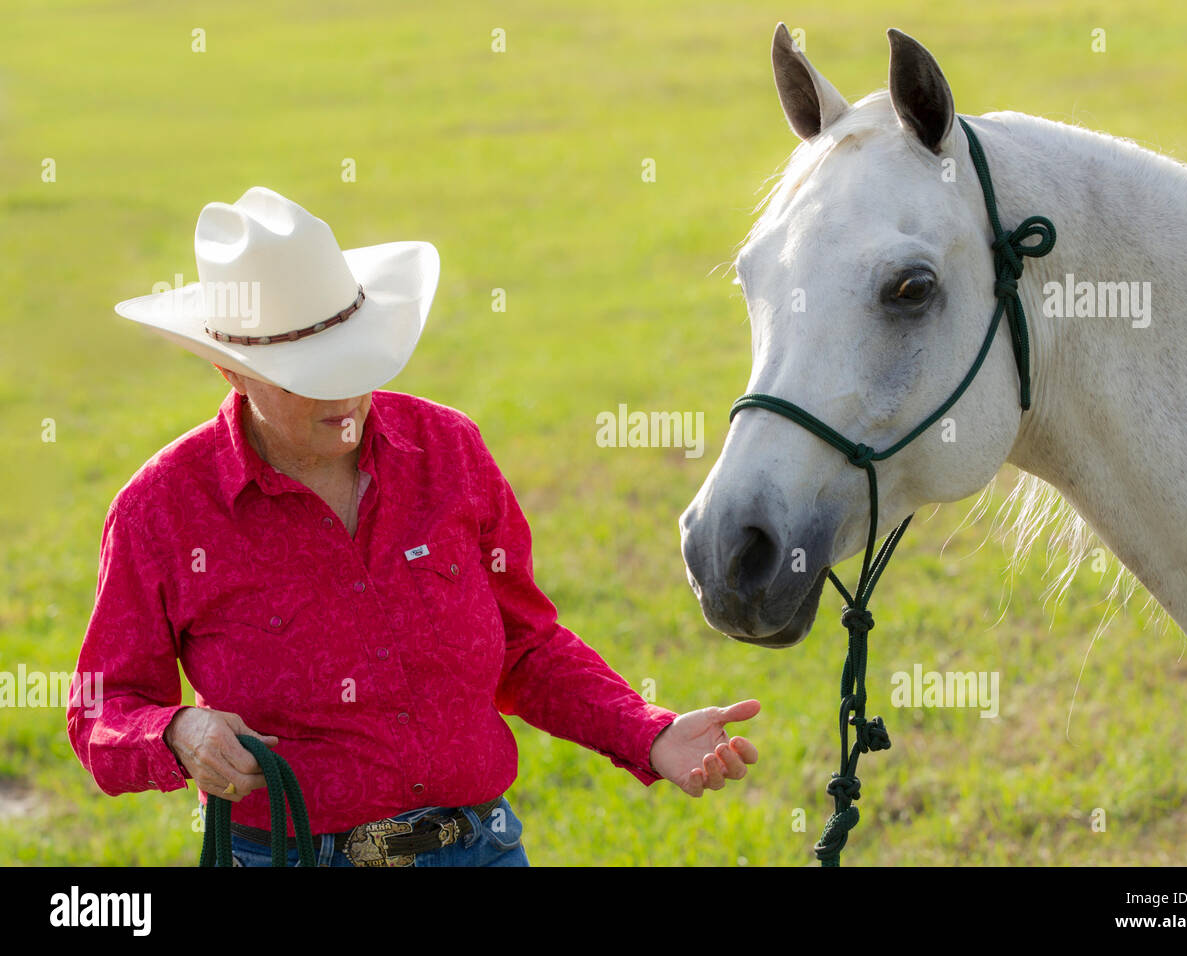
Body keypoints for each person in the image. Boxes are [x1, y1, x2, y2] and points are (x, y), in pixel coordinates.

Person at [67, 186, 759, 867]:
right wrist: (177, 731)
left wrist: (647, 733)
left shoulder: (448, 451)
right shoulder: (160, 509)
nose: (343, 394)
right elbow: (102, 709)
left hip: (480, 849)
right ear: (231, 371)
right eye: (306, 376)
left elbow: (525, 646)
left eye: (354, 359)